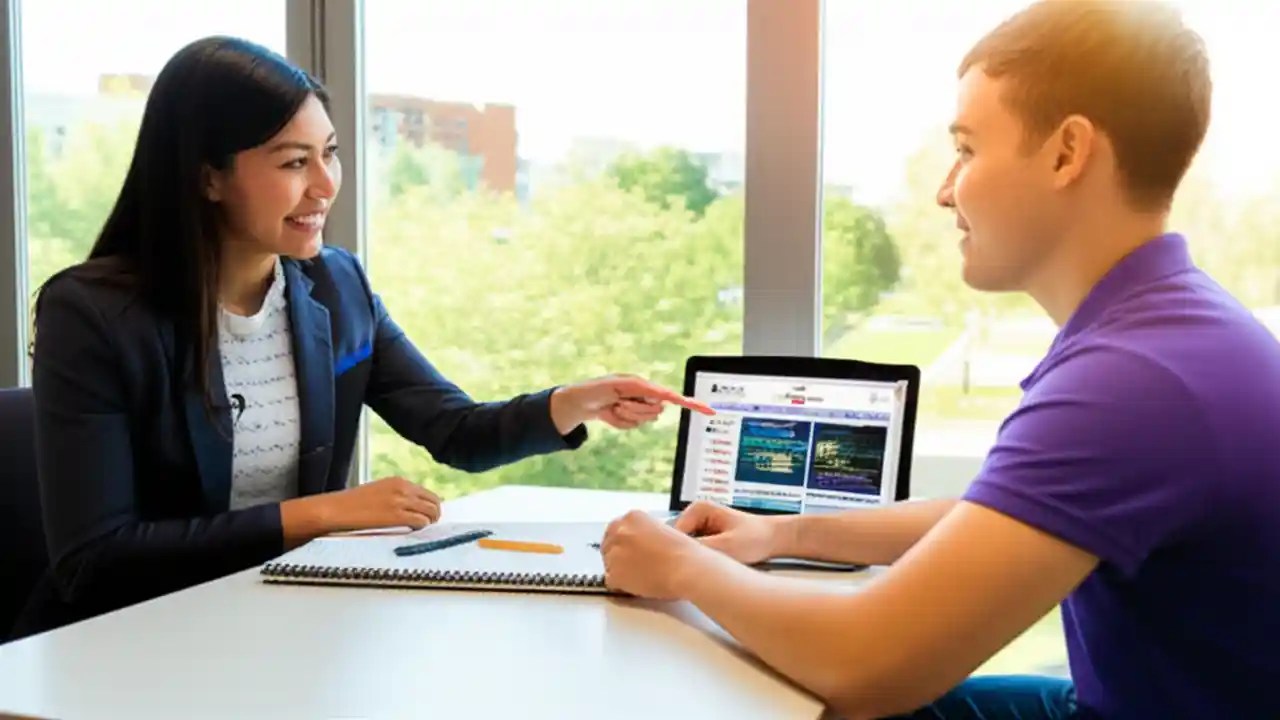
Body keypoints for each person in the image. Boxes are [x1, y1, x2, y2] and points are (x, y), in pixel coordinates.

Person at [601, 2, 1280, 718]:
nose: (944, 190)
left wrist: (683, 566)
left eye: (966, 148)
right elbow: (1008, 519)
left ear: (1066, 153)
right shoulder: (1164, 330)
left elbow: (864, 665)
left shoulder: (1135, 380)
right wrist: (784, 534)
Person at [16, 36, 711, 638]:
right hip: (123, 644)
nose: (325, 185)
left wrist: (573, 402)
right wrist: (321, 515)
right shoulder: (93, 316)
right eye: (293, 162)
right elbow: (96, 559)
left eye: (331, 154)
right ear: (209, 177)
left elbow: (454, 430)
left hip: (274, 625)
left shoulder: (334, 287)